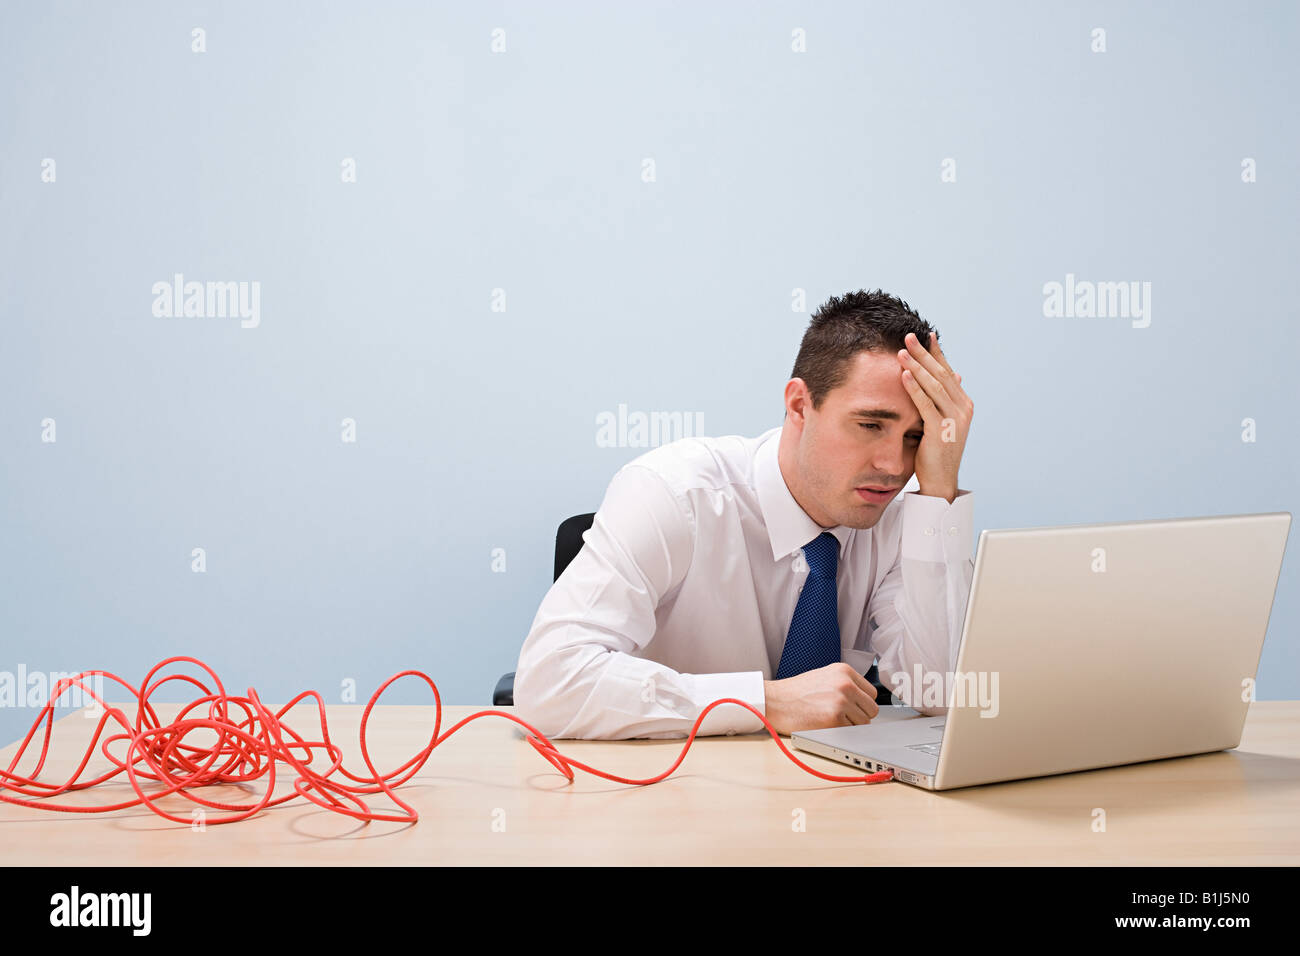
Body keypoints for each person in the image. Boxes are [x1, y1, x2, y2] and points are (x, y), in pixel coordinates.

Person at [514, 289, 975, 740]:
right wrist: (764, 702)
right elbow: (548, 683)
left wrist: (939, 496)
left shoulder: (908, 517)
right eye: (871, 425)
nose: (894, 466)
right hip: (674, 781)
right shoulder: (673, 494)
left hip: (834, 786)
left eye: (916, 437)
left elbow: (939, 693)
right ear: (799, 405)